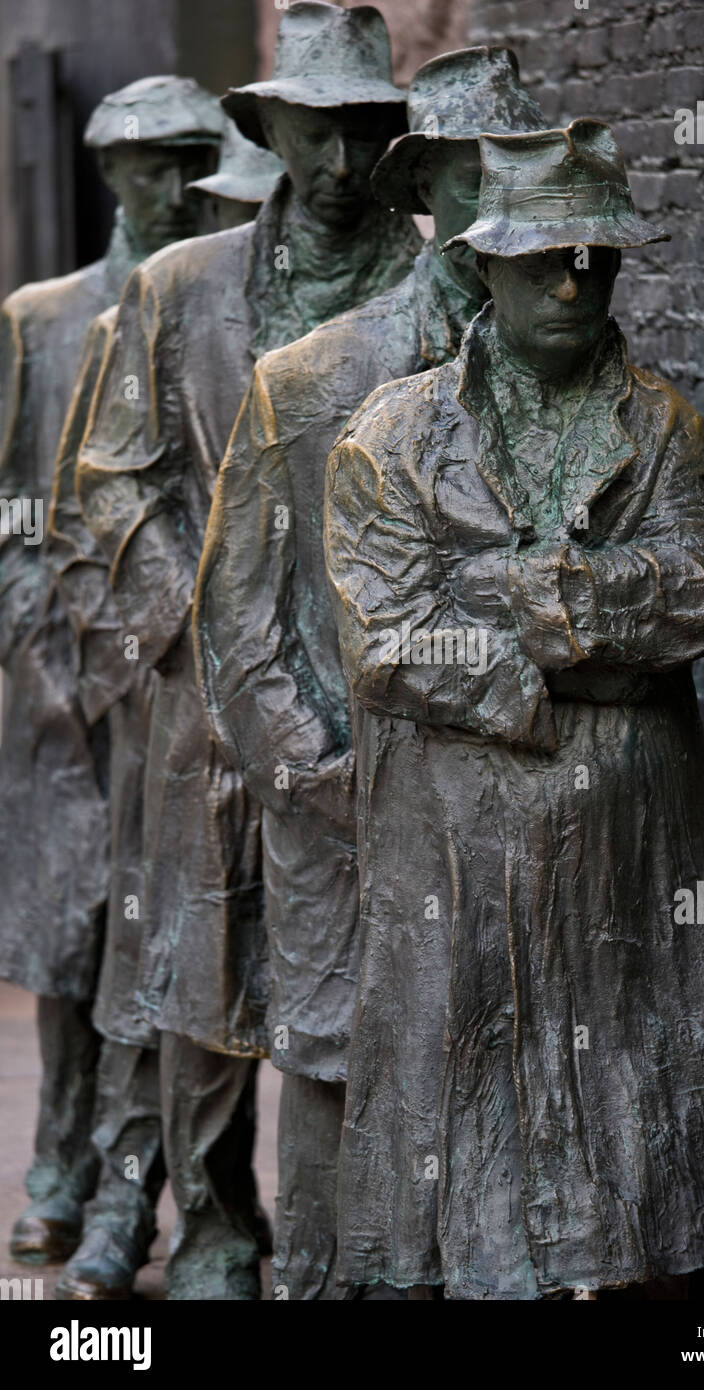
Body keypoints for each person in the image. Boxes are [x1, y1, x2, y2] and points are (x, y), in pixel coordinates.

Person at [325, 119, 704, 1298]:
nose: (574, 282)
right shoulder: (391, 437)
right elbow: (390, 645)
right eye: (543, 261)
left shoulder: (661, 423)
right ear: (481, 266)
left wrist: (531, 593)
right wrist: (584, 672)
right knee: (463, 1135)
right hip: (454, 850)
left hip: (633, 843)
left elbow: (698, 597)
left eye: (595, 259)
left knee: (637, 1134)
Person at [76, 1, 419, 1300]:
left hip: (374, 700)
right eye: (313, 135)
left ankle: (365, 1238)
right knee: (205, 973)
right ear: (268, 129)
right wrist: (208, 640)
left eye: (363, 136)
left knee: (367, 980)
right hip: (205, 708)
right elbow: (116, 482)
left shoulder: (433, 278)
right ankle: (216, 1230)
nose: (336, 168)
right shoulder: (180, 289)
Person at [194, 46, 545, 1300]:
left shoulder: (579, 368)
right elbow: (237, 617)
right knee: (339, 1053)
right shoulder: (311, 376)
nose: (509, 197)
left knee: (500, 1053)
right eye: (477, 170)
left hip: (511, 804)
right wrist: (314, 773)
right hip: (344, 802)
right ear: (428, 183)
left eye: (525, 165)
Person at [47, 99, 282, 1302]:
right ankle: (127, 1196)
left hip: (297, 699)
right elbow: (86, 516)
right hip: (168, 697)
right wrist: (154, 648)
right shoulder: (130, 320)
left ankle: (231, 1215)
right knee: (161, 962)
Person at [0, 76, 222, 1270]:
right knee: (69, 940)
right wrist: (32, 628)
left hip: (173, 676)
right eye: (149, 162)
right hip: (54, 686)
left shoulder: (210, 305)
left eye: (191, 157)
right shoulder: (39, 317)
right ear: (109, 173)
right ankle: (55, 1174)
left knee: (155, 947)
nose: (173, 183)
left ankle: (143, 1194)